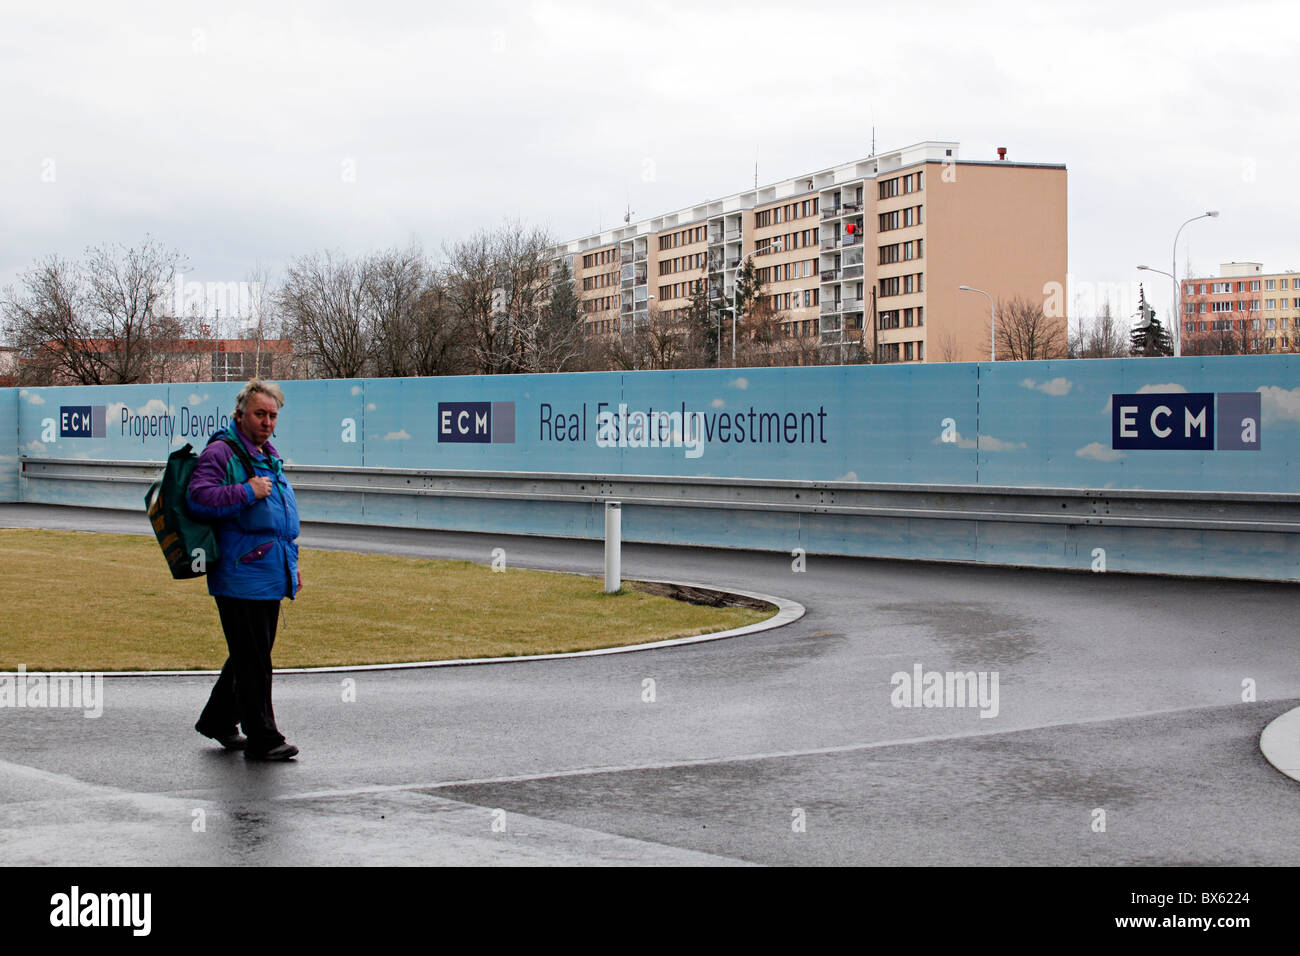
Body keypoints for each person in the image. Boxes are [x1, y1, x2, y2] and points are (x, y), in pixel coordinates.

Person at [188, 379, 302, 761]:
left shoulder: (267, 454)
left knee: (248, 655)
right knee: (254, 659)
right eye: (260, 414)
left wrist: (292, 567)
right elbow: (198, 498)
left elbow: (281, 524)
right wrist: (246, 491)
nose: (267, 421)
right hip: (239, 574)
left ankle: (219, 720)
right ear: (239, 415)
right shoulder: (222, 452)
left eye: (272, 415)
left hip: (268, 573)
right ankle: (264, 738)